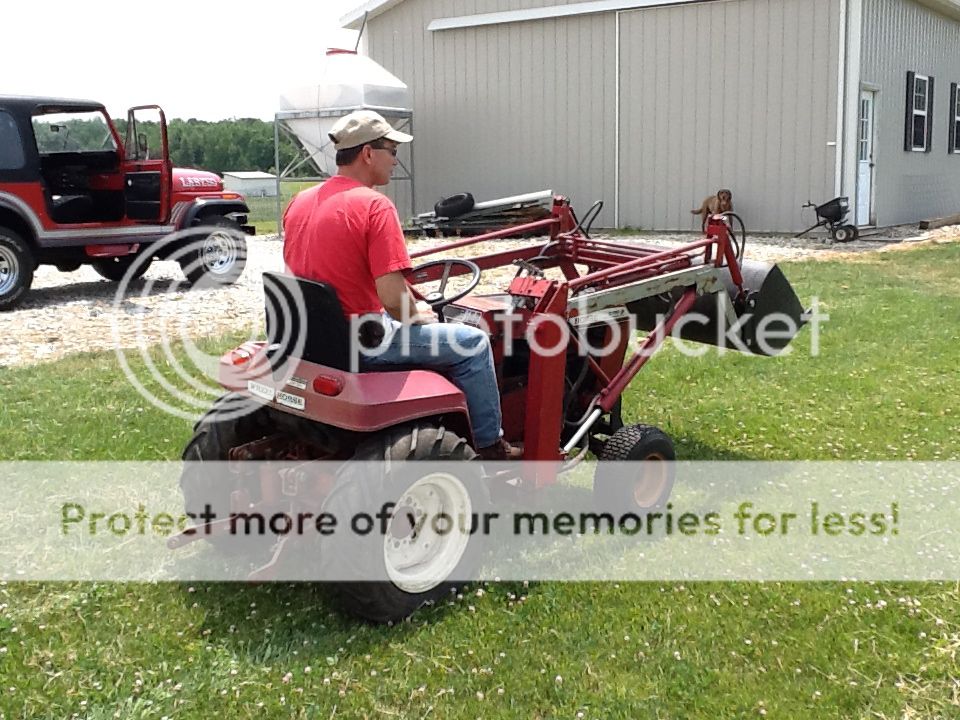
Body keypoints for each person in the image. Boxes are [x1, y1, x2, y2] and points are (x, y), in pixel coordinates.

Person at [282, 110, 521, 460]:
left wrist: (409, 309)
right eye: (392, 151)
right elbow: (393, 299)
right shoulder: (375, 206)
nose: (395, 161)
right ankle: (490, 444)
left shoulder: (300, 201)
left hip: (310, 337)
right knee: (473, 344)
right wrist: (421, 316)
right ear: (367, 153)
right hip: (361, 342)